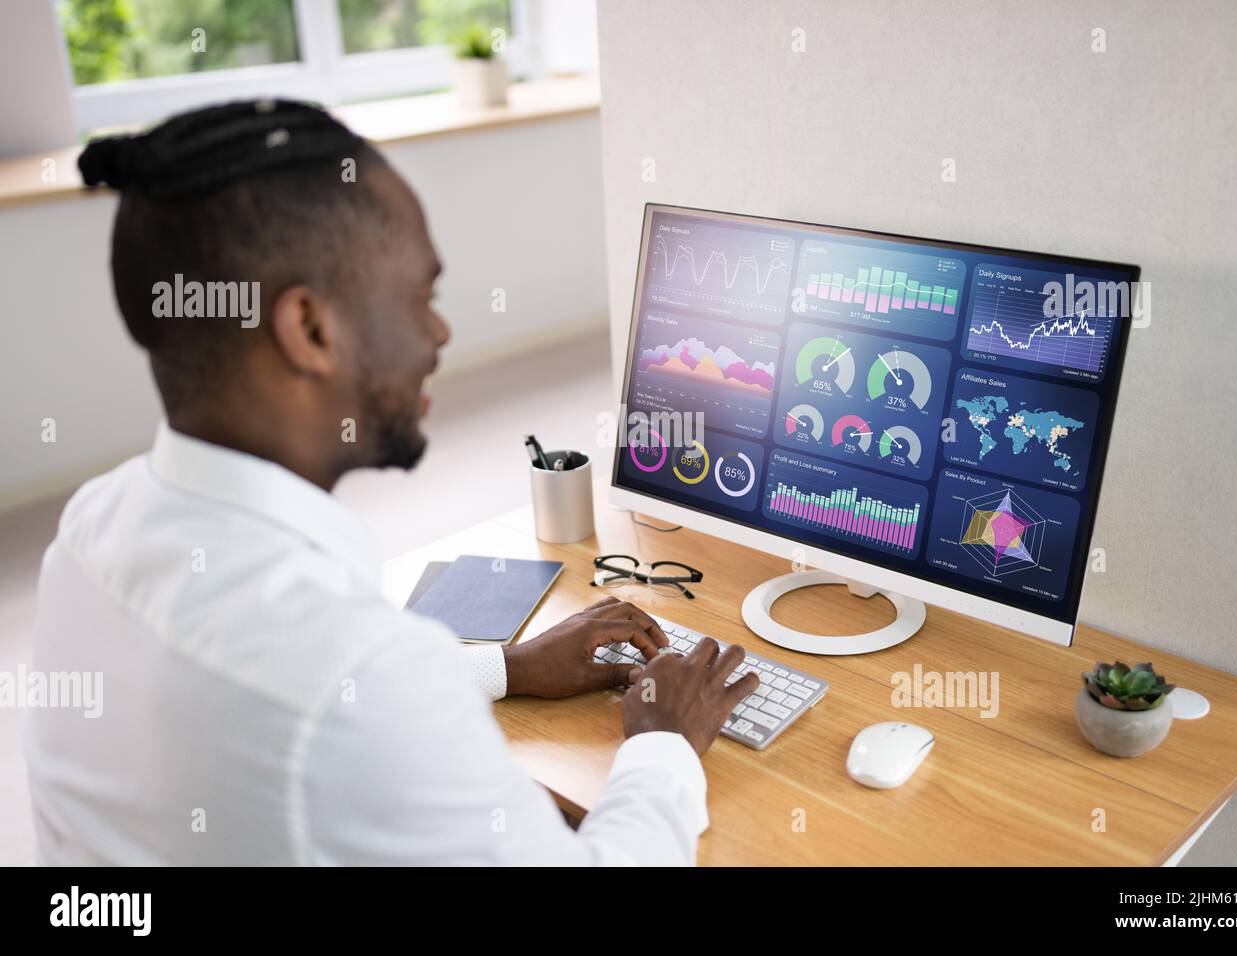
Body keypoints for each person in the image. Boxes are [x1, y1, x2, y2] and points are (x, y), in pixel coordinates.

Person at [23, 100, 759, 865]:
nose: (440, 334)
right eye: (420, 297)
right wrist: (665, 744)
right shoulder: (355, 679)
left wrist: (503, 667)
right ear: (311, 330)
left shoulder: (91, 527)